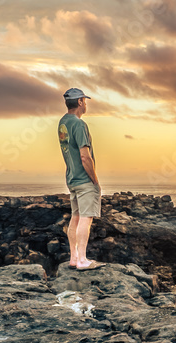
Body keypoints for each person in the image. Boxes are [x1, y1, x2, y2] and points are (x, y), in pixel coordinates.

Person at [58, 87, 104, 270]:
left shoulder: (63, 123)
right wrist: (95, 181)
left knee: (75, 217)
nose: (85, 104)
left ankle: (74, 257)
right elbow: (85, 156)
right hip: (84, 179)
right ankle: (83, 260)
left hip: (71, 178)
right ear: (79, 102)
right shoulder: (78, 124)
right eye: (84, 101)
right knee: (86, 218)